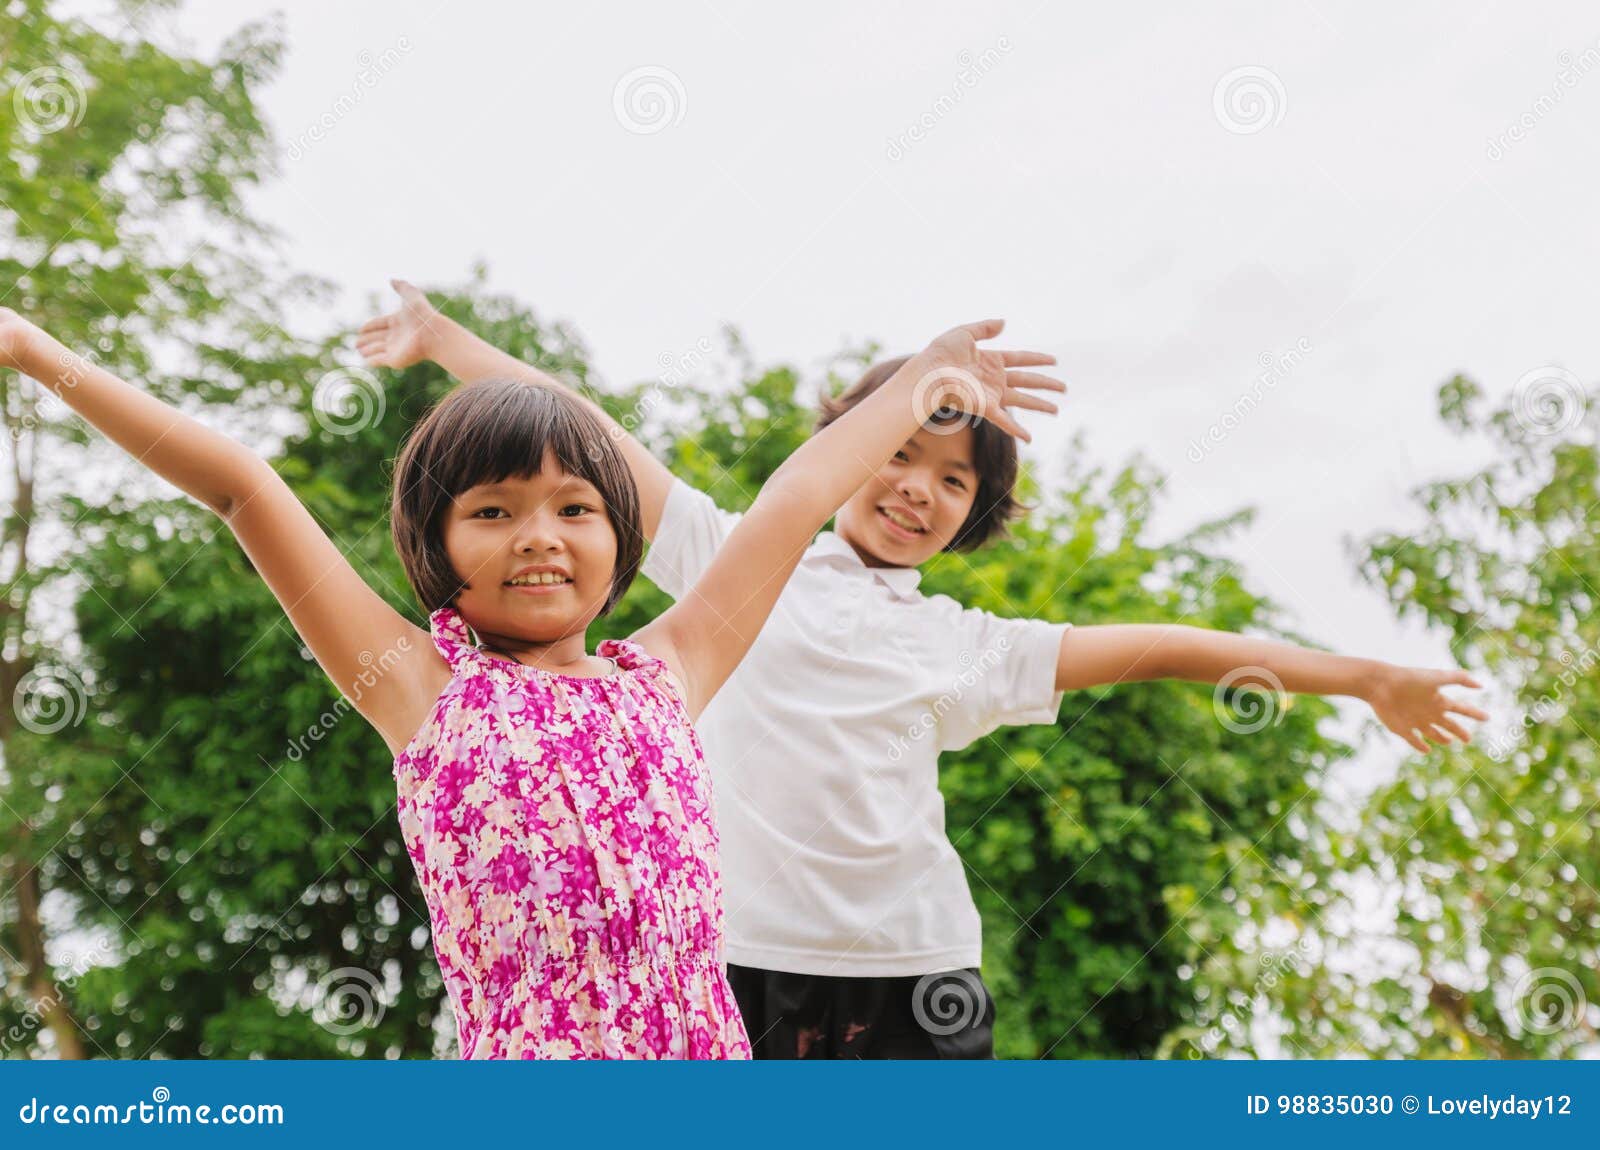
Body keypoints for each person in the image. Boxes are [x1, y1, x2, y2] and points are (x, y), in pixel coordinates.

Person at [358, 281, 1489, 1058]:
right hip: (741, 977)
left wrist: (1364, 677)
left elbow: (1162, 647)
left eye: (952, 480)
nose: (916, 487)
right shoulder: (733, 562)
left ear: (975, 514)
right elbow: (576, 428)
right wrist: (446, 340)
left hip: (917, 977)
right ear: (847, 451)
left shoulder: (968, 645)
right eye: (900, 451)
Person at [0, 303, 1062, 1058]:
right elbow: (240, 488)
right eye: (494, 511)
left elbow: (795, 498)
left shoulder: (669, 672)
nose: (538, 538)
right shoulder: (416, 686)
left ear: (619, 537)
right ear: (435, 543)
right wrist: (30, 345)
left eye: (573, 508)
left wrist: (922, 381)